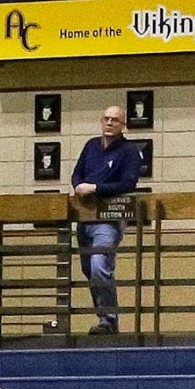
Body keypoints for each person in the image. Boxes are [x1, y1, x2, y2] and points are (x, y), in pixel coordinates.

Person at [71, 105, 142, 335]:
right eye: (106, 119)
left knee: (99, 267)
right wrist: (78, 186)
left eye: (115, 120)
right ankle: (105, 316)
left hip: (109, 218)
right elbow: (77, 173)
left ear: (123, 125)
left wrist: (95, 188)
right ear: (101, 122)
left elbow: (128, 183)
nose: (110, 123)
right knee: (89, 269)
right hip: (85, 216)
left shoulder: (129, 151)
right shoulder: (91, 145)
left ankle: (108, 320)